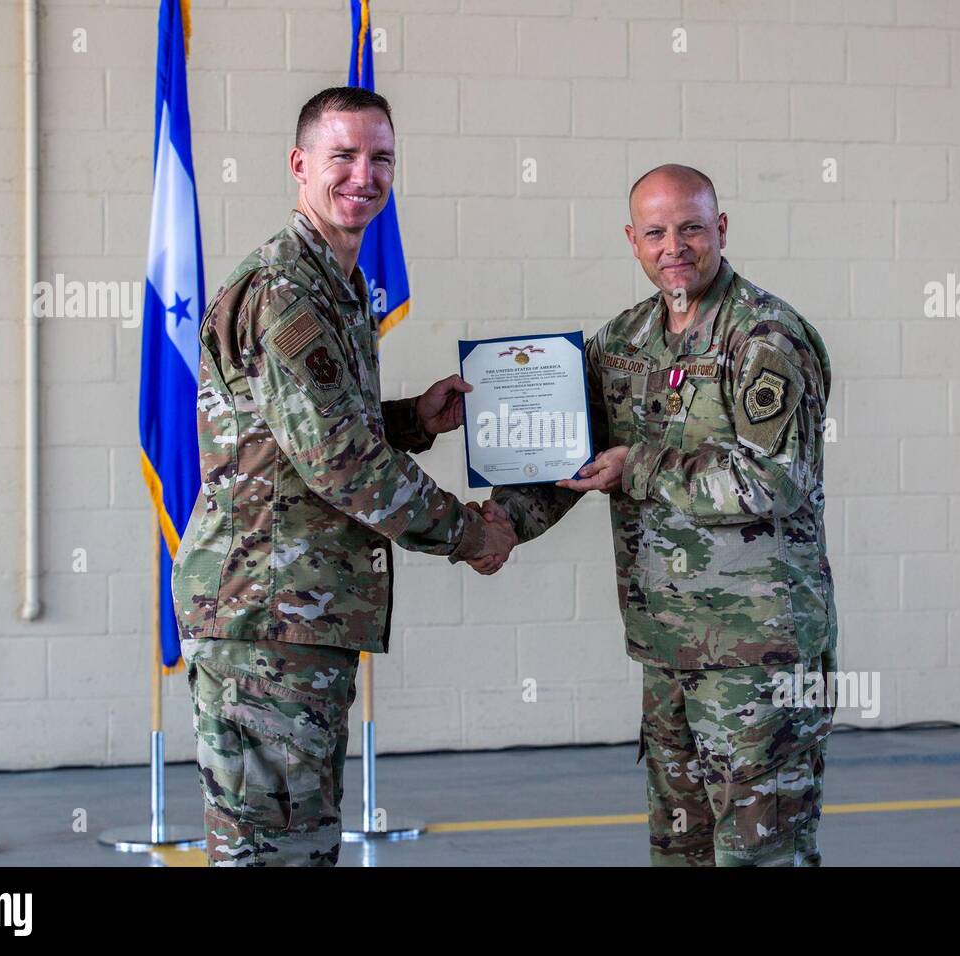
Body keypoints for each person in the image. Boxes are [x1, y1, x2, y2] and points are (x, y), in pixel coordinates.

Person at [171, 86, 515, 866]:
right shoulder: (286, 293)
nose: (364, 175)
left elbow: (301, 436)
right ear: (300, 165)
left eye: (381, 157)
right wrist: (470, 532)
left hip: (293, 616)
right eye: (344, 156)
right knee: (276, 854)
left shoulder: (335, 284)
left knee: (298, 846)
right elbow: (339, 463)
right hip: (266, 620)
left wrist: (413, 420)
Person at [481, 164, 838, 866]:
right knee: (680, 851)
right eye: (655, 232)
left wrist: (637, 465)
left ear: (721, 229)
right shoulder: (622, 343)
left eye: (691, 228)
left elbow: (773, 480)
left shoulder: (765, 336)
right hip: (668, 650)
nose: (674, 246)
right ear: (632, 241)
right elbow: (568, 455)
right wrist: (497, 526)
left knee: (761, 854)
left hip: (758, 656)